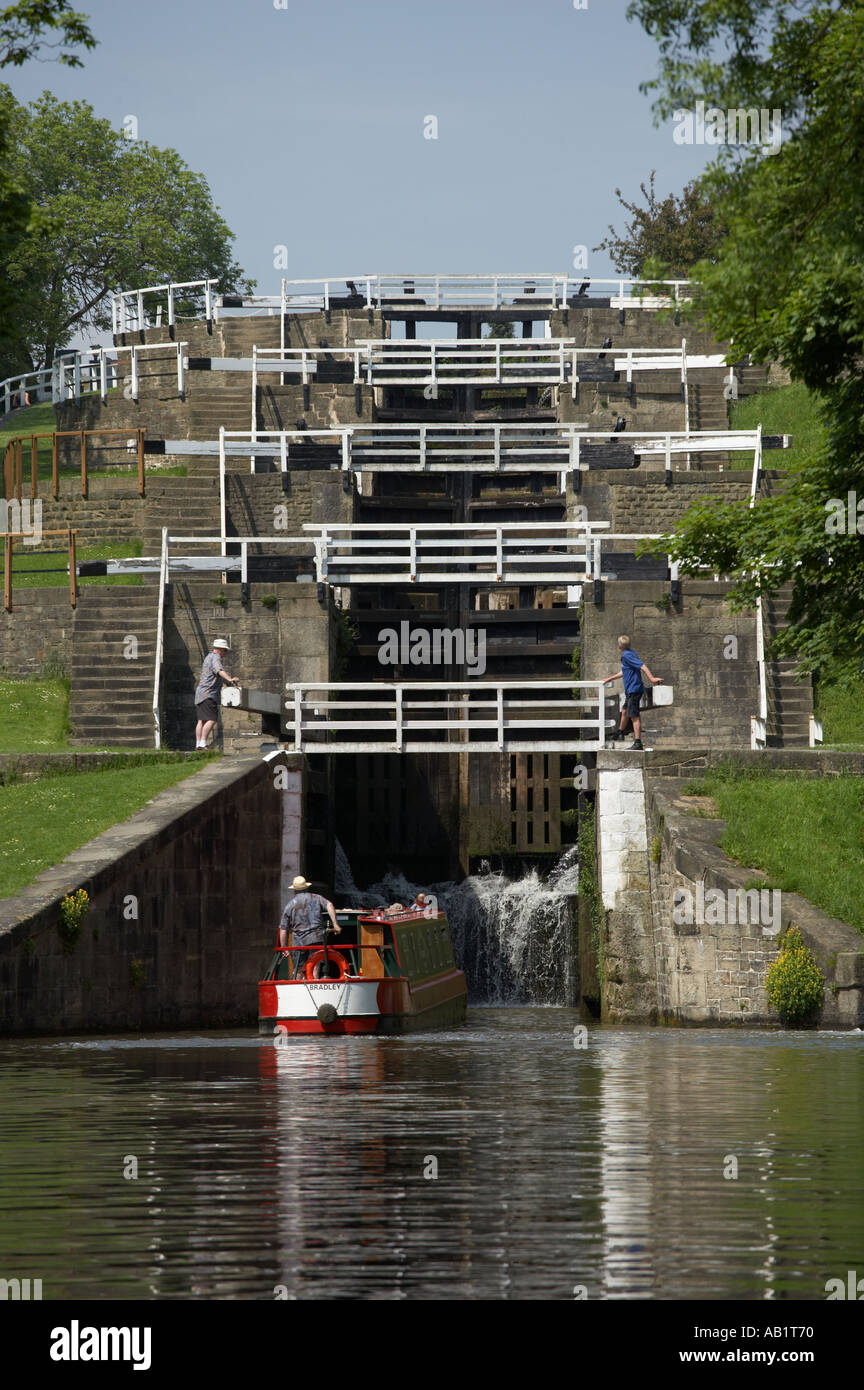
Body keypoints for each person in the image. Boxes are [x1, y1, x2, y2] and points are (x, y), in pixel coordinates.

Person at [602, 635, 663, 751]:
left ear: (619, 647)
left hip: (634, 690)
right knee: (624, 711)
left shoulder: (626, 656)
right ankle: (619, 732)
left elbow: (642, 666)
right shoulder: (630, 654)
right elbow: (624, 671)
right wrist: (609, 679)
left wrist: (652, 678)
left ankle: (638, 742)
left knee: (634, 716)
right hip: (631, 690)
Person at [278, 875, 341, 978]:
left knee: (298, 969)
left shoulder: (290, 905)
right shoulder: (317, 898)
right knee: (315, 965)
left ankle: (298, 988)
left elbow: (283, 929)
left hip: (299, 942)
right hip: (316, 938)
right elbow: (330, 905)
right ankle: (315, 982)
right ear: (306, 887)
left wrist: (284, 947)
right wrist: (335, 924)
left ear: (294, 890)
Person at [194, 639, 239, 749]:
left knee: (201, 720)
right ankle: (203, 743)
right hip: (208, 694)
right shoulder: (215, 657)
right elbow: (219, 670)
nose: (225, 653)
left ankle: (198, 744)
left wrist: (228, 682)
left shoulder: (208, 657)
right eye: (224, 651)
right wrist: (230, 679)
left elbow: (216, 675)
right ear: (220, 649)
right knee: (212, 719)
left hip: (200, 693)